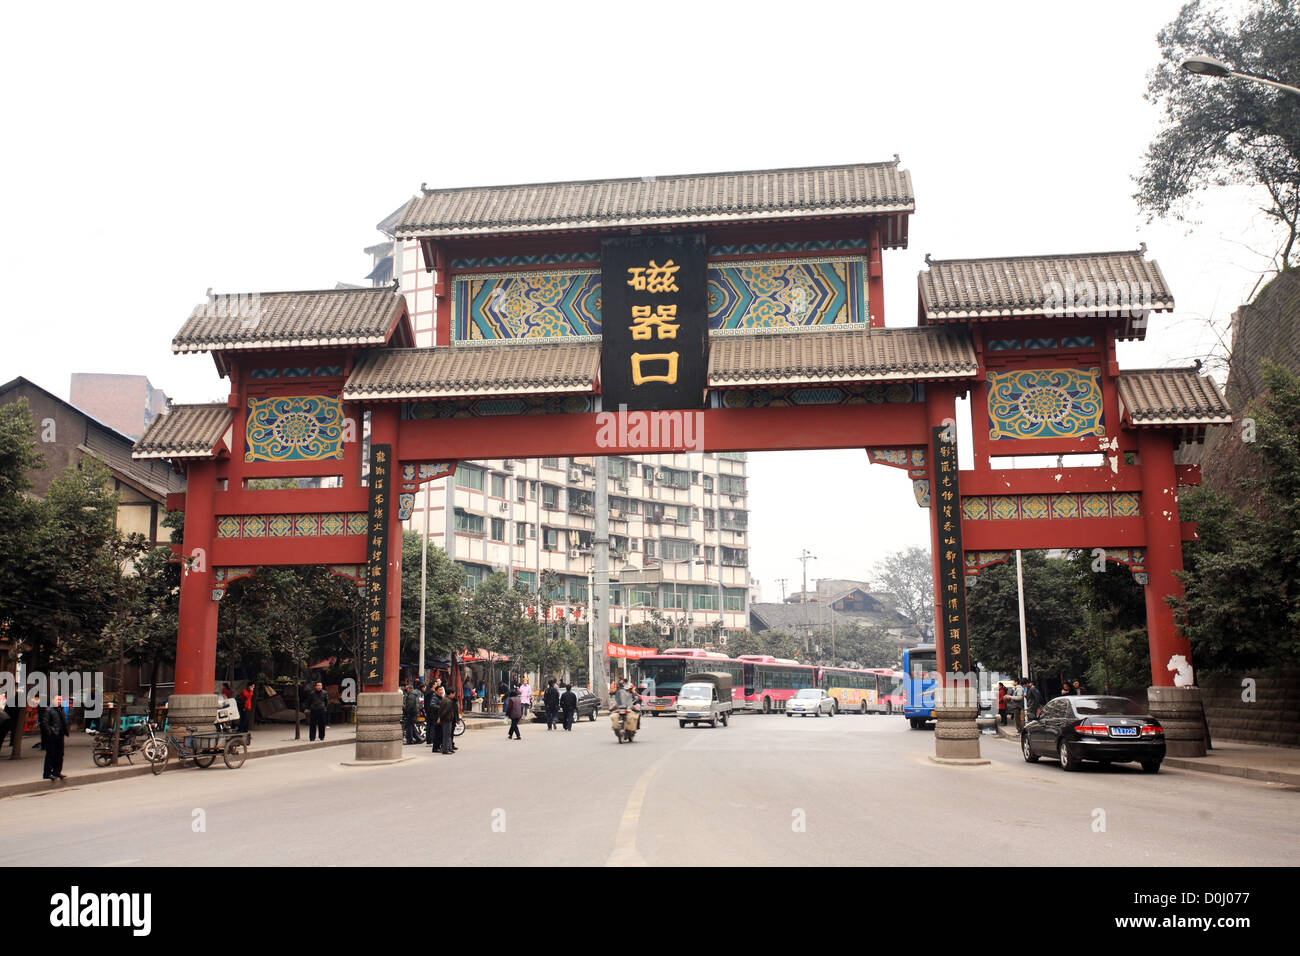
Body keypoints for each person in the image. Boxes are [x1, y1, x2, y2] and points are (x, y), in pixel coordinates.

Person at [40, 694, 69, 782]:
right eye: (57, 700)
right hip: (53, 735)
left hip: (60, 734)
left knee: (60, 754)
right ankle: (47, 773)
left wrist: (65, 731)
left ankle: (57, 771)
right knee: (51, 754)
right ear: (53, 701)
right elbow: (45, 723)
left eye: (60, 700)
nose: (59, 702)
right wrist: (50, 732)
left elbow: (63, 722)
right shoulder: (49, 710)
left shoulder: (60, 710)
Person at [437, 685, 457, 755]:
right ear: (451, 694)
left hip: (447, 719)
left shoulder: (445, 699)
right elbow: (444, 711)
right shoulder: (448, 701)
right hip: (447, 720)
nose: (454, 695)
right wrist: (441, 718)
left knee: (448, 735)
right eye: (453, 694)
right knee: (446, 735)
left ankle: (449, 748)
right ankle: (445, 749)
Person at [425, 681, 440, 752]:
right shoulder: (432, 693)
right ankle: (431, 740)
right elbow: (432, 704)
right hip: (432, 712)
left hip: (428, 712)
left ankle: (428, 740)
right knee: (432, 726)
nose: (437, 684)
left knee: (429, 726)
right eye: (436, 684)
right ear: (433, 686)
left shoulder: (427, 692)